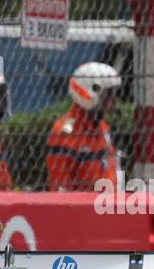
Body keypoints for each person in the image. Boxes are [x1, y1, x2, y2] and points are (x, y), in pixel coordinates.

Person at [46, 61, 121, 191]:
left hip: (108, 205)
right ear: (89, 94)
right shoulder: (65, 133)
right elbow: (61, 190)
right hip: (84, 208)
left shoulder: (102, 127)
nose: (114, 101)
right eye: (108, 95)